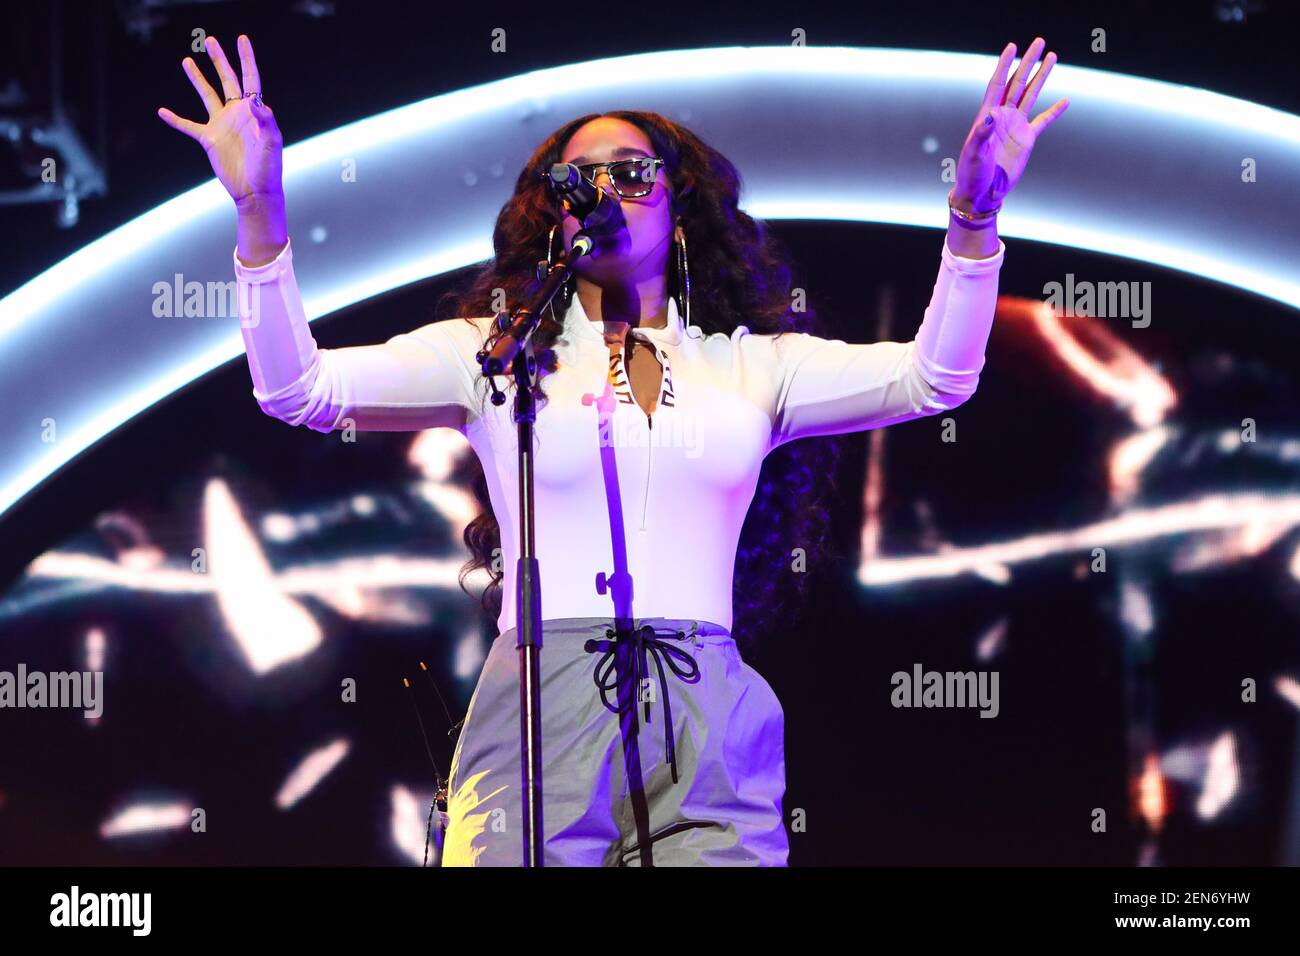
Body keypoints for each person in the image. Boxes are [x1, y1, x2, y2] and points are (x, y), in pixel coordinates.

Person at [159, 34, 1067, 866]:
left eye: (632, 173)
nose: (603, 194)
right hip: (541, 698)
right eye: (575, 182)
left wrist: (973, 221)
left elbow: (936, 379)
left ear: (679, 205)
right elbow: (297, 389)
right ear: (552, 216)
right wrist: (258, 214)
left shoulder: (751, 367)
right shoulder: (496, 354)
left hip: (705, 699)